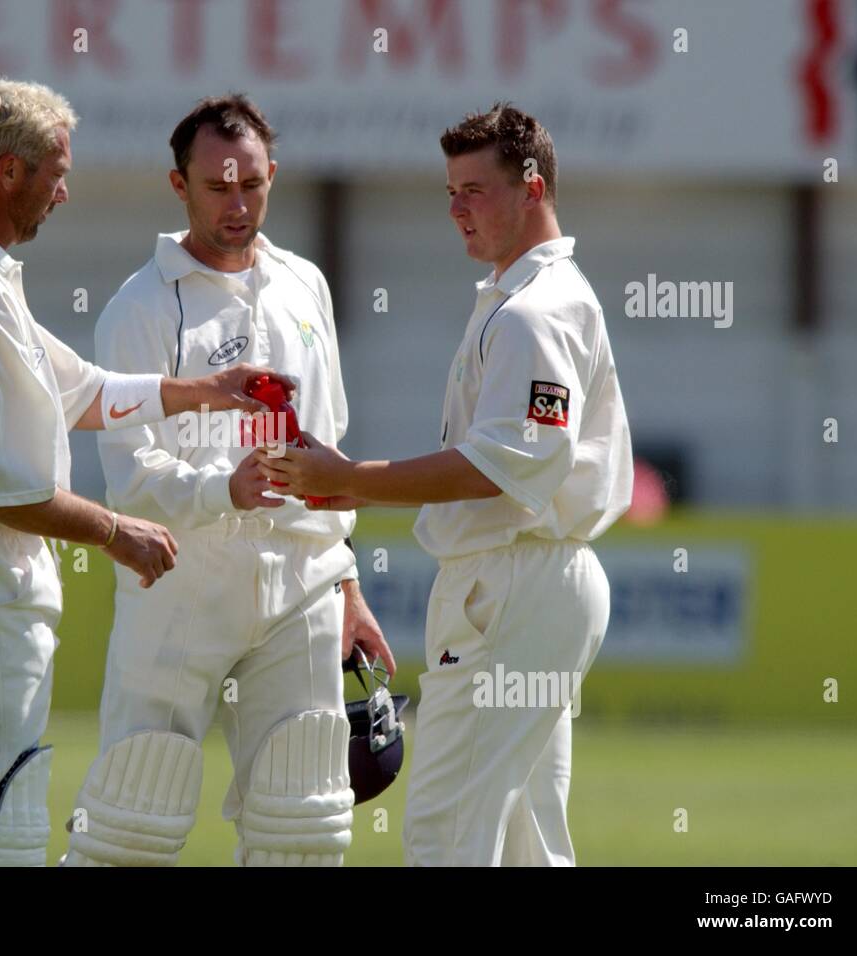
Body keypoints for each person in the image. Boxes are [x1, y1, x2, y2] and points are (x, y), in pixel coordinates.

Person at [0, 78, 289, 868]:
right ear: (8, 171)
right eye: (55, 170)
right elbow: (1, 489)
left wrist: (200, 391)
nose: (64, 189)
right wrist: (118, 532)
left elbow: (78, 388)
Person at [256, 103, 633, 866]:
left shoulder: (535, 310)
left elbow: (503, 465)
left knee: (445, 833)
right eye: (450, 191)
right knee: (527, 841)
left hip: (515, 583)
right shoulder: (525, 299)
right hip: (535, 583)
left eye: (475, 189)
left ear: (532, 187)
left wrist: (349, 480)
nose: (457, 209)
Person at [62, 94, 393, 868]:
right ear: (179, 186)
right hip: (182, 580)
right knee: (130, 826)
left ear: (272, 175)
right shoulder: (140, 307)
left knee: (304, 823)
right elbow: (131, 472)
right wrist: (223, 490)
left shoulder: (306, 284)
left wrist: (347, 585)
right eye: (217, 187)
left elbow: (331, 444)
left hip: (302, 582)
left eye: (251, 184)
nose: (237, 204)